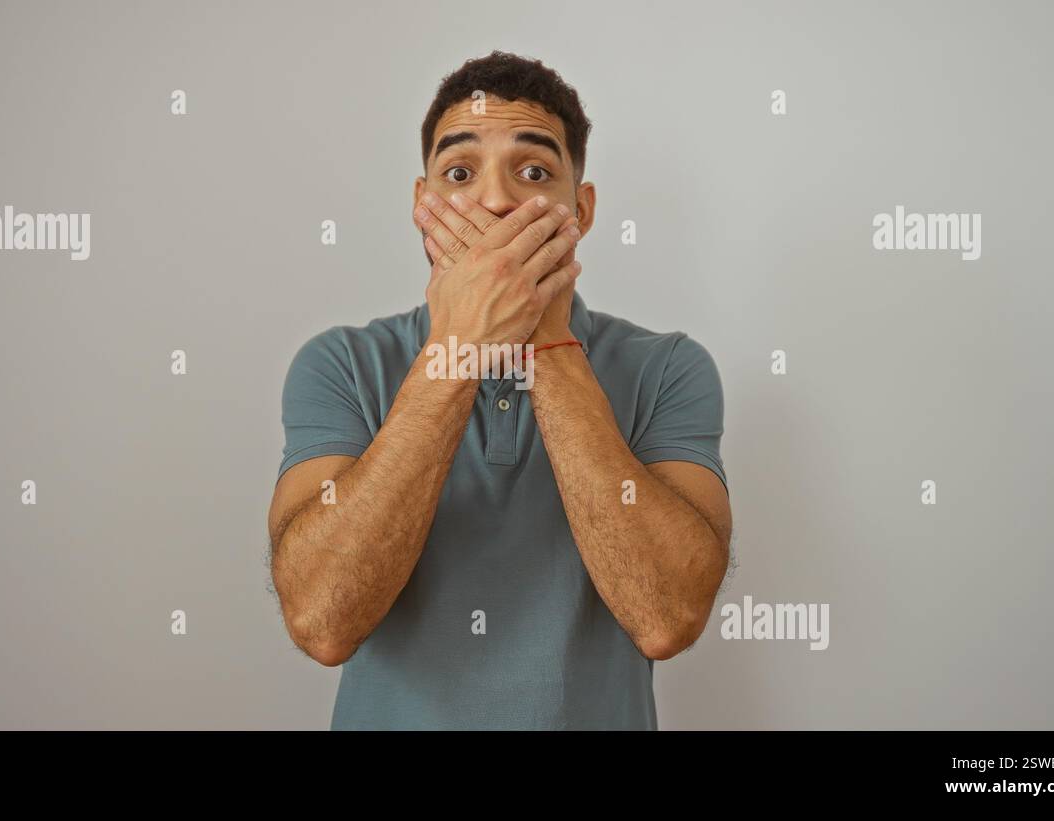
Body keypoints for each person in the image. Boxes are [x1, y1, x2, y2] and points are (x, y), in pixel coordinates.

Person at [267, 50, 733, 730]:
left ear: (582, 208)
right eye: (460, 173)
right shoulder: (340, 363)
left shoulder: (669, 368)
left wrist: (543, 338)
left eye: (535, 172)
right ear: (421, 206)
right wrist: (457, 349)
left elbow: (666, 618)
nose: (495, 200)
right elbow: (322, 622)